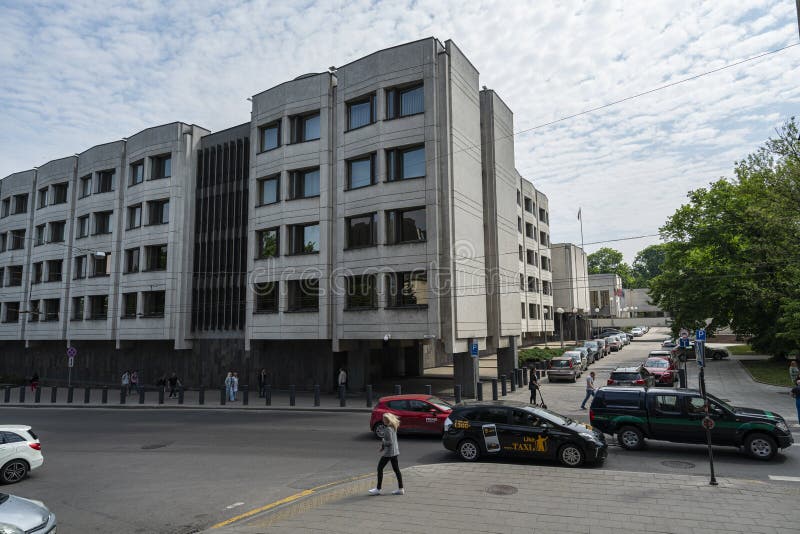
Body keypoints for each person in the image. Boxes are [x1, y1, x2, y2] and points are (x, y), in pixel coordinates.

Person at [368, 413, 404, 496]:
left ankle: (378, 489)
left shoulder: (388, 429)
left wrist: (384, 442)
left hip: (389, 453)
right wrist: (383, 447)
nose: (382, 420)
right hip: (395, 452)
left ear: (387, 420)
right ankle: (401, 489)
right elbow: (393, 440)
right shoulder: (393, 427)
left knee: (379, 468)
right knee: (397, 470)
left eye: (384, 419)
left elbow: (390, 442)